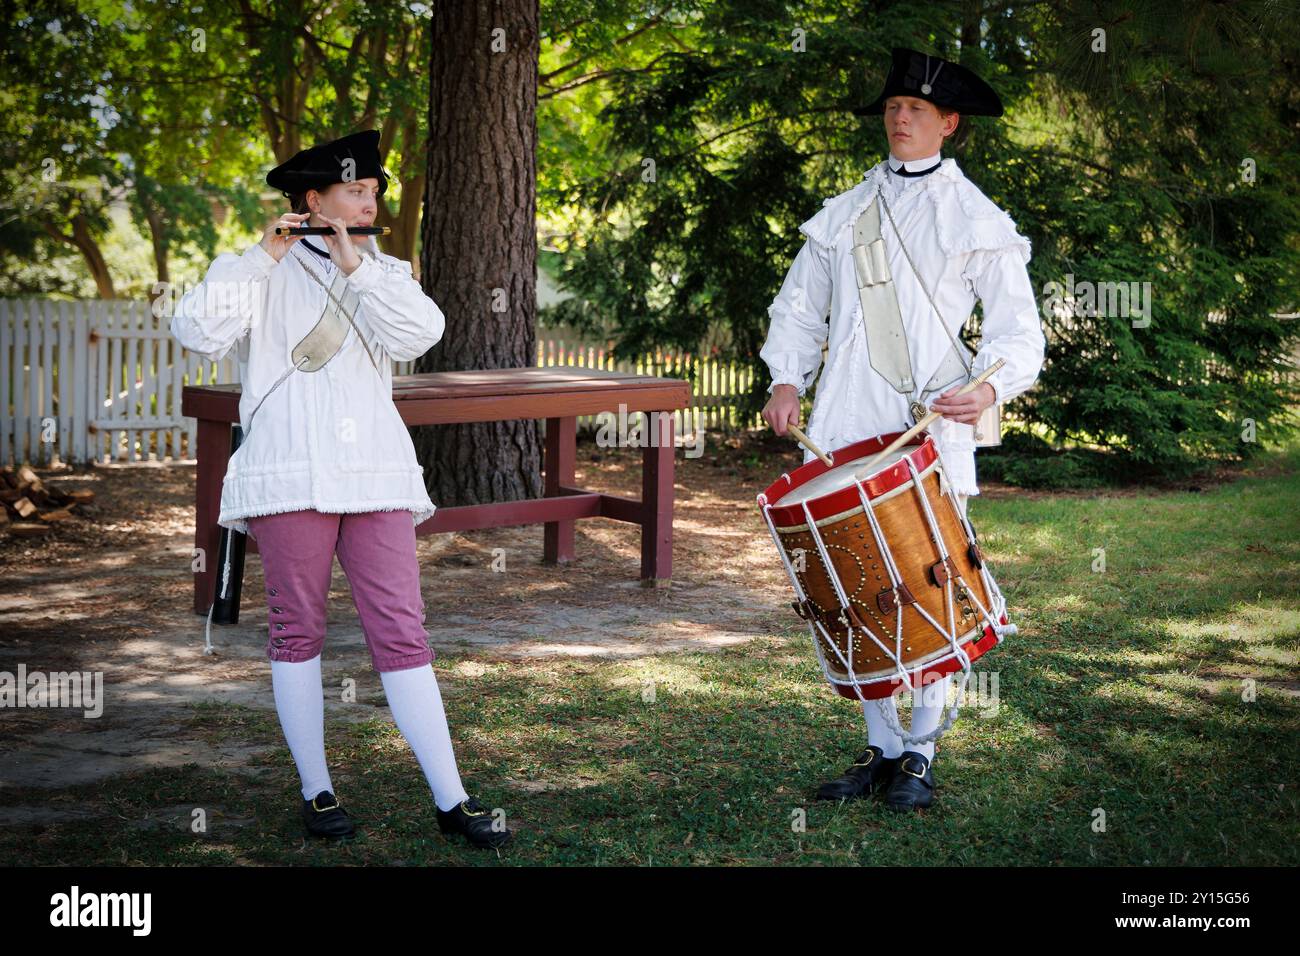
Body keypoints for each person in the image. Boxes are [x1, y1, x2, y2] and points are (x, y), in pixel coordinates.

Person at [170, 129, 509, 848]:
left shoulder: (385, 269)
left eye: (373, 191)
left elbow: (421, 333)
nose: (370, 200)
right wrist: (264, 255)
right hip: (290, 471)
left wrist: (356, 266)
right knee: (299, 630)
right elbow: (197, 332)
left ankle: (451, 798)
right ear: (312, 198)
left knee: (402, 627)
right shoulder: (254, 268)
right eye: (356, 190)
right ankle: (316, 791)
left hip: (375, 474)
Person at [759, 49, 1045, 811]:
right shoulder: (847, 210)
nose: (901, 117)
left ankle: (920, 752)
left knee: (929, 578)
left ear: (948, 124)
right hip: (846, 412)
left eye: (917, 109)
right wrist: (786, 377)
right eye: (892, 107)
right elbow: (797, 307)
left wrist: (985, 386)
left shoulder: (975, 216)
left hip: (927, 419)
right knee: (856, 581)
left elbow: (1020, 333)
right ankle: (881, 750)